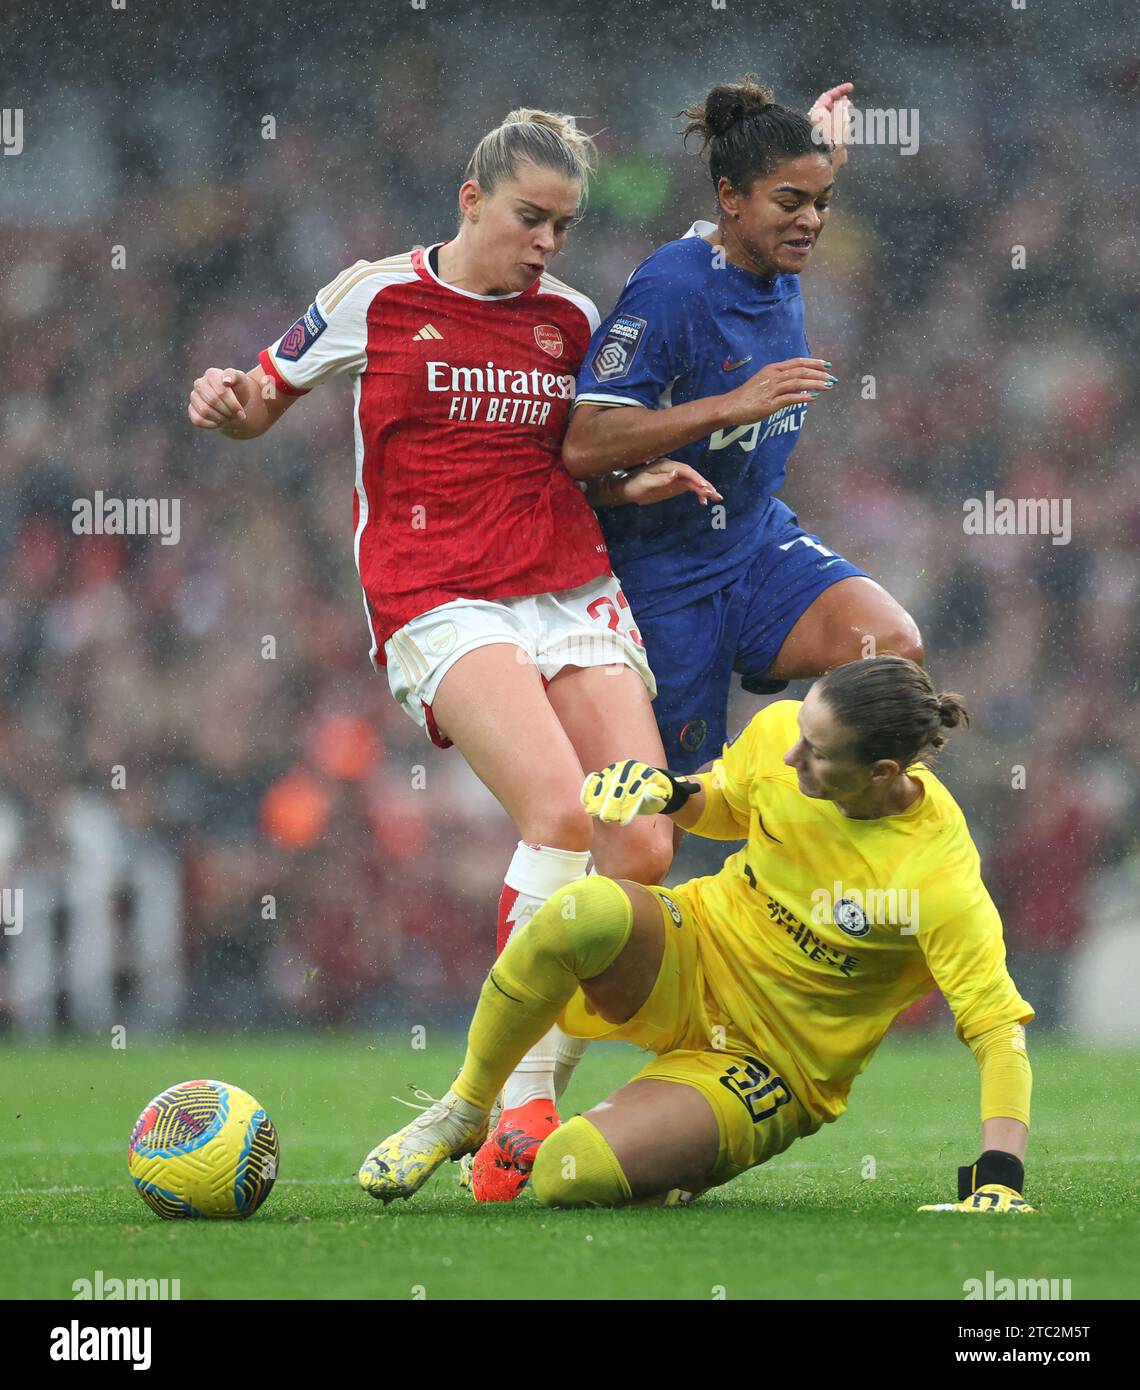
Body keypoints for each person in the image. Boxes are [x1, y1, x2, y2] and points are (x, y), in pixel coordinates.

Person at [187, 109, 718, 1202]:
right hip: (437, 593)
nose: (546, 245)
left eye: (564, 227)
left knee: (644, 847)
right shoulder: (373, 297)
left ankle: (499, 1099)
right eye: (530, 218)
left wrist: (634, 482)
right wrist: (228, 405)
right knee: (563, 817)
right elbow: (258, 402)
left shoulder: (568, 320)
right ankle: (516, 1111)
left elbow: (574, 456)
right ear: (472, 198)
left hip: (569, 586)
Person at [359, 657, 1035, 1215]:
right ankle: (465, 1109)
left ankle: (680, 1156)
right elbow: (731, 803)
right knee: (582, 910)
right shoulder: (781, 738)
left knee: (569, 1176)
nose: (791, 753)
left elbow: (996, 1027)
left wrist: (1001, 1173)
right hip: (697, 948)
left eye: (817, 752)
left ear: (883, 774)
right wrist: (669, 794)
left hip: (768, 1063)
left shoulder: (937, 878)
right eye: (800, 728)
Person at [562, 79, 925, 774]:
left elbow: (799, 177)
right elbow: (584, 443)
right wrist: (729, 405)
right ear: (730, 199)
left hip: (756, 543)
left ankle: (800, 824)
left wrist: (823, 143)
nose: (812, 222)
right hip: (663, 579)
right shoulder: (674, 287)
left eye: (822, 203)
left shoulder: (776, 243)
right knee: (660, 810)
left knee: (890, 648)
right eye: (791, 203)